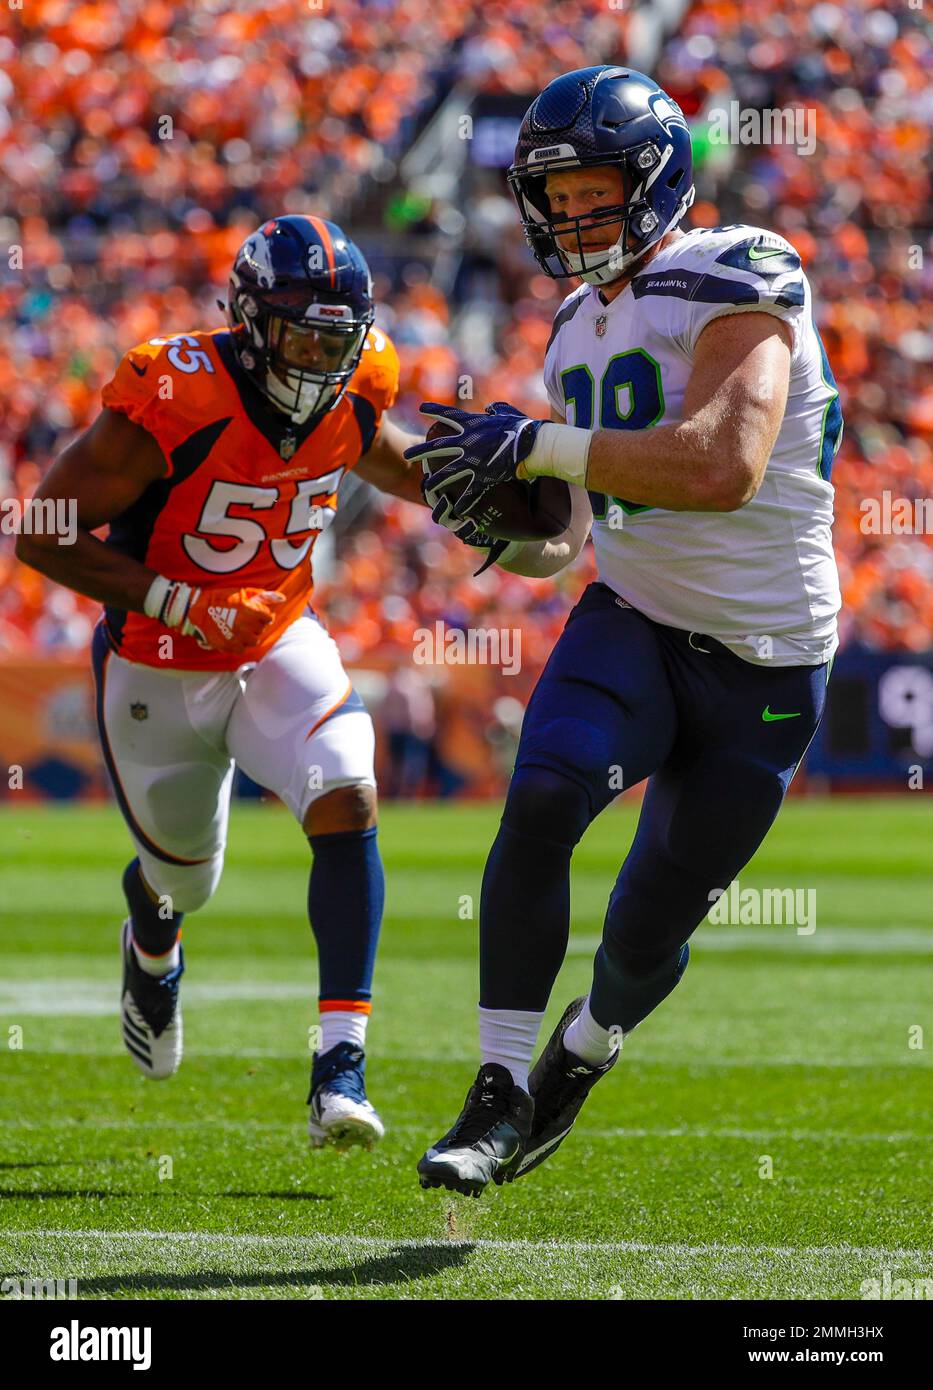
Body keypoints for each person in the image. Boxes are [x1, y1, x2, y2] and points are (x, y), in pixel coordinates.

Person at [410, 65, 843, 1195]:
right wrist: (503, 536)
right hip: (637, 617)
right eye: (552, 196)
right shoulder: (570, 330)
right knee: (545, 790)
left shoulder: (742, 271)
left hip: (767, 657)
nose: (570, 216)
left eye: (592, 189)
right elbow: (570, 539)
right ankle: (498, 1086)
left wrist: (541, 446)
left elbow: (721, 464)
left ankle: (578, 1056)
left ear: (654, 182)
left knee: (647, 928)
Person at [16, 215, 428, 1151]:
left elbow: (366, 441)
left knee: (347, 792)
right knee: (183, 883)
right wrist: (178, 602)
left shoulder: (358, 385)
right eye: (301, 334)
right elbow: (41, 530)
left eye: (338, 336)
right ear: (249, 322)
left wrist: (459, 483)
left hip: (277, 640)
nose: (321, 356)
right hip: (156, 669)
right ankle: (152, 947)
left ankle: (340, 1067)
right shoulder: (177, 393)